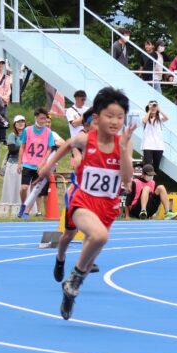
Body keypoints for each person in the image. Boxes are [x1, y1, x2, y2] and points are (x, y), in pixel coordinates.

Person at [39, 87, 136, 320]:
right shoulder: (86, 138)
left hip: (108, 208)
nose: (114, 121)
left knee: (92, 249)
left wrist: (123, 150)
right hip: (83, 201)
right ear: (97, 116)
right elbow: (67, 145)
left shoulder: (124, 143)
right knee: (94, 237)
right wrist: (47, 167)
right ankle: (66, 268)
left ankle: (71, 289)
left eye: (120, 117)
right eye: (109, 115)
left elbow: (126, 179)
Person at [18, 107, 59, 217]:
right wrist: (19, 163)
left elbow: (50, 148)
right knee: (24, 188)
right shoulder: (27, 130)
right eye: (41, 118)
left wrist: (43, 162)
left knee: (34, 190)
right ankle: (23, 204)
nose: (43, 121)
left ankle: (26, 212)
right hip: (27, 163)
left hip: (40, 165)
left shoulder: (48, 132)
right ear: (36, 117)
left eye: (45, 119)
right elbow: (22, 147)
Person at [2, 114, 26, 206]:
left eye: (22, 122)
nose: (21, 124)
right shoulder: (12, 136)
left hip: (25, 164)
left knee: (23, 186)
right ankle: (10, 205)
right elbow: (12, 150)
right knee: (12, 186)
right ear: (15, 124)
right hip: (13, 164)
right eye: (18, 122)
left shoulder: (27, 135)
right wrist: (23, 146)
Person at [139, 99, 168, 172]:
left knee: (156, 167)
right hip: (147, 146)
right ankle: (146, 182)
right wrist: (149, 109)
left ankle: (153, 182)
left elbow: (167, 118)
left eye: (155, 106)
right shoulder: (145, 116)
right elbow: (144, 121)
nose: (153, 108)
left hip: (158, 146)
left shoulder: (159, 118)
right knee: (147, 167)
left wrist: (159, 110)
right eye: (152, 106)